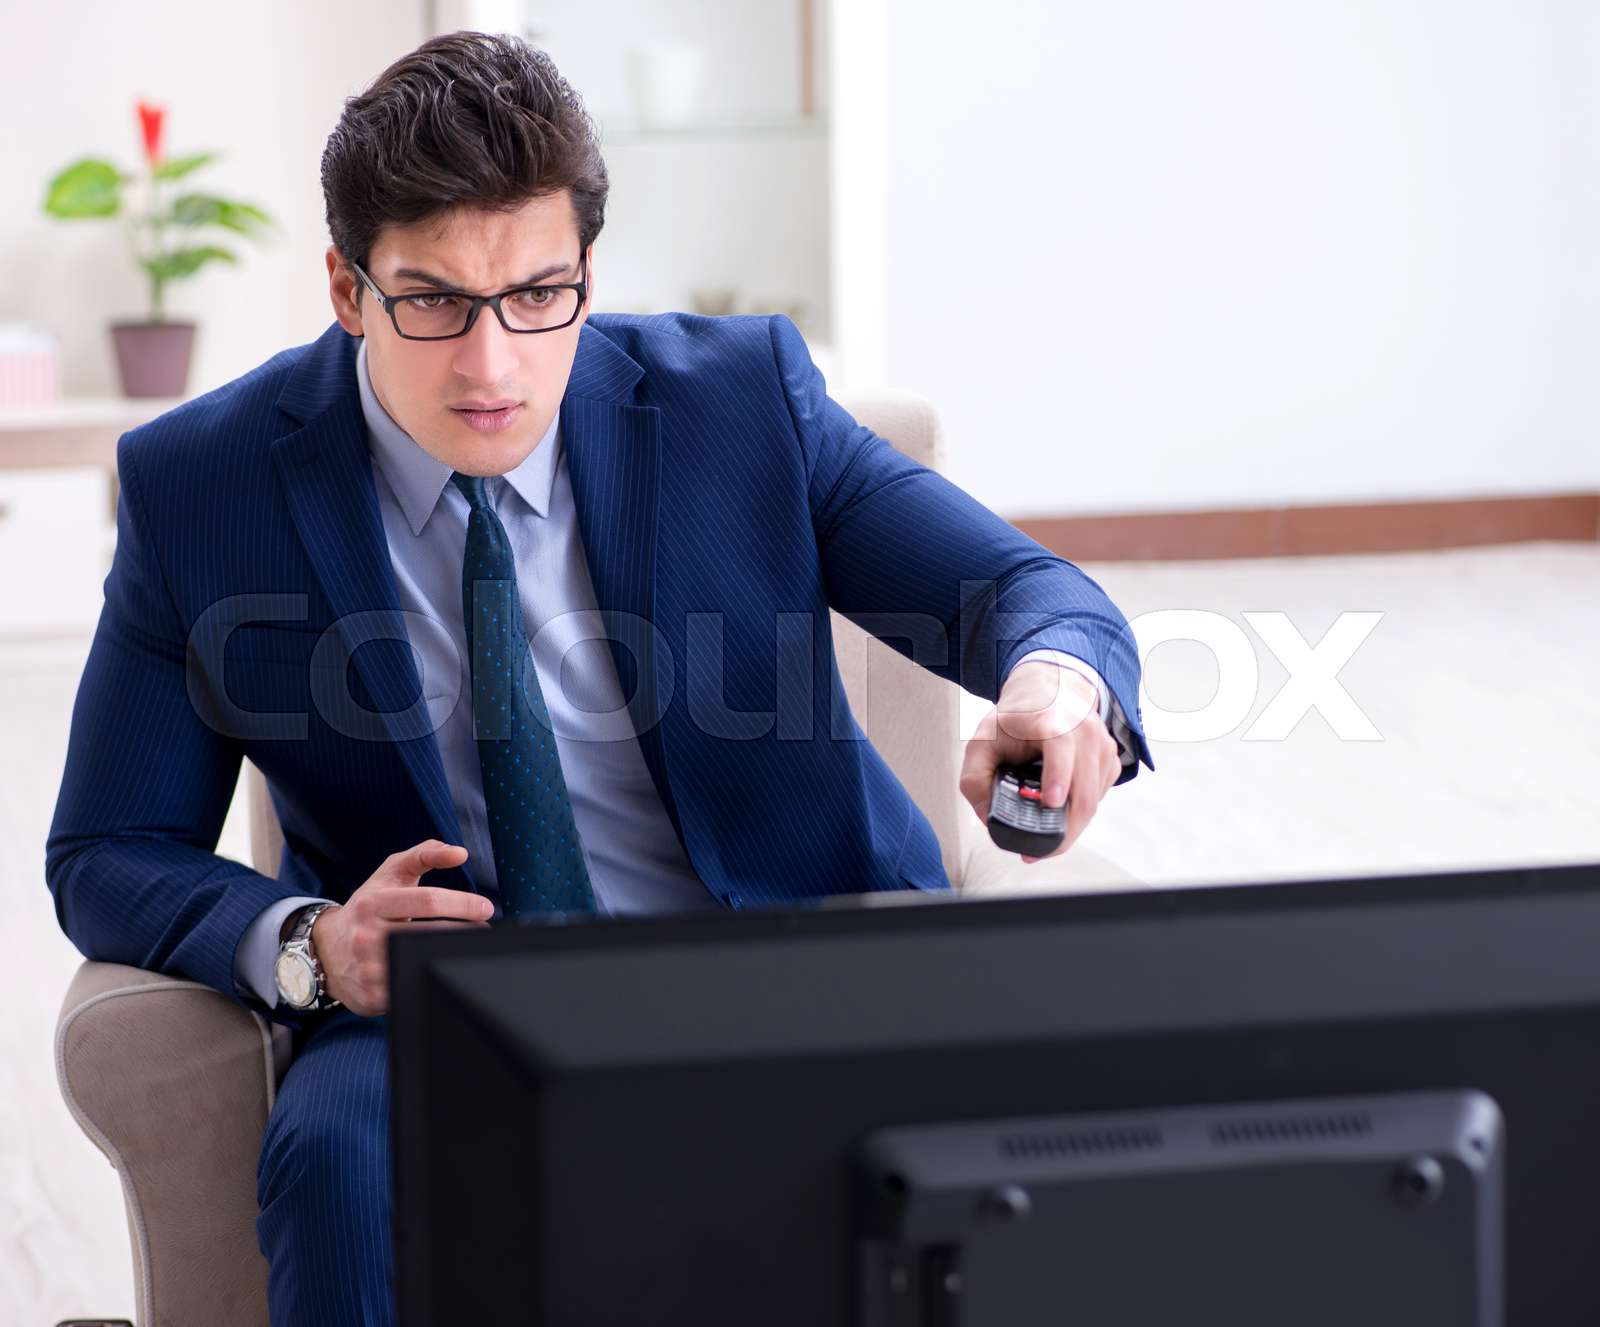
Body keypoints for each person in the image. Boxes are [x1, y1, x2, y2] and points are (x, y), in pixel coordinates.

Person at [45, 30, 1153, 1327]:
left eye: (536, 294)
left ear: (585, 273)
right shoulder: (202, 485)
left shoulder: (740, 399)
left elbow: (1028, 598)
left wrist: (1056, 691)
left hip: (796, 952)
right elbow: (109, 847)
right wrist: (316, 948)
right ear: (347, 290)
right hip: (445, 1008)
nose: (492, 361)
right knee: (338, 1164)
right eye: (434, 301)